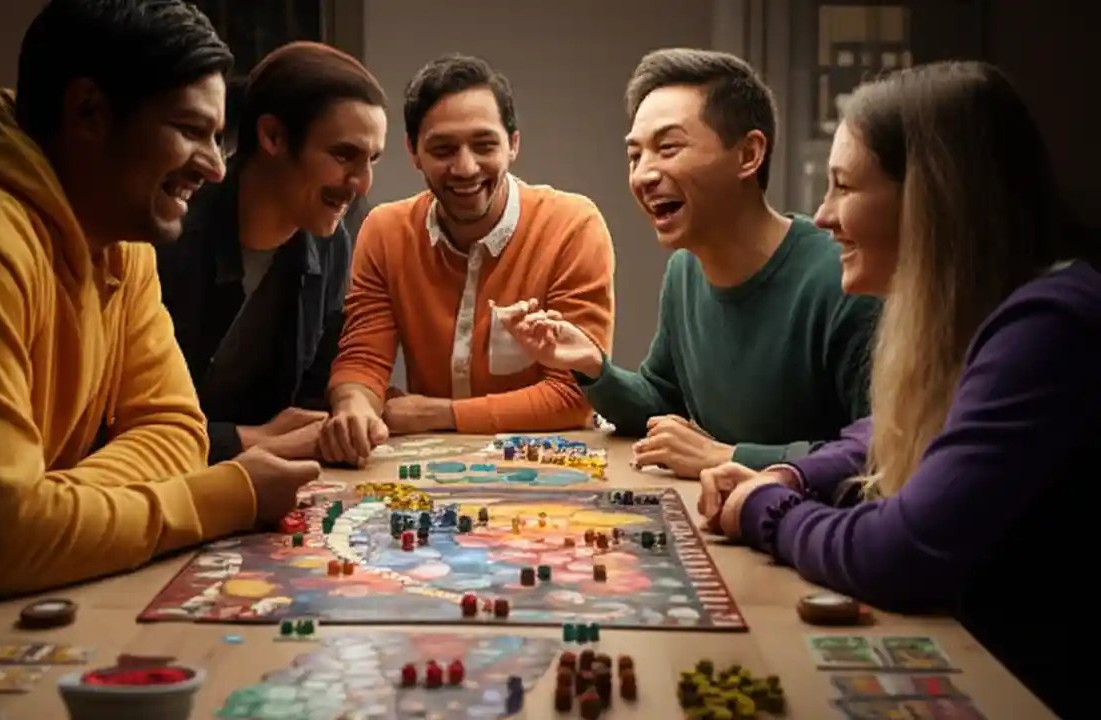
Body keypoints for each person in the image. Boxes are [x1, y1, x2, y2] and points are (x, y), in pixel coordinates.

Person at [0, 0, 320, 683]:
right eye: (189, 131)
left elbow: (175, 429)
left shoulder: (123, 243)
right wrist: (224, 496)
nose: (214, 168)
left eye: (218, 138)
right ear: (88, 112)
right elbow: (1, 544)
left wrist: (51, 509)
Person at [696, 61, 1099, 716]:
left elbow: (902, 554)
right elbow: (885, 432)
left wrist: (766, 513)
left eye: (844, 186)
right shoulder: (996, 305)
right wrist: (790, 476)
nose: (823, 215)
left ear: (934, 199)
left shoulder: (1050, 324)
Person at [500, 48, 880, 478]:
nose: (643, 174)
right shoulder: (685, 270)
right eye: (635, 155)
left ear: (749, 154)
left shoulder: (846, 280)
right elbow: (660, 401)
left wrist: (729, 457)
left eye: (668, 148)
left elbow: (881, 456)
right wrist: (592, 366)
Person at [319, 54, 616, 466]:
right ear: (413, 151)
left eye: (484, 145)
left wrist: (437, 414)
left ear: (513, 144)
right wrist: (354, 407)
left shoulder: (572, 226)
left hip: (545, 465)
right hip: (432, 466)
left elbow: (573, 395)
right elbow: (364, 359)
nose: (465, 167)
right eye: (443, 148)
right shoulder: (384, 230)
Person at [157, 41, 388, 464]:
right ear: (272, 137)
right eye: (343, 154)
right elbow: (120, 426)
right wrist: (248, 440)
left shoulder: (332, 241)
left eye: (372, 159)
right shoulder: (168, 237)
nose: (362, 182)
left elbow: (315, 389)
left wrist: (349, 412)